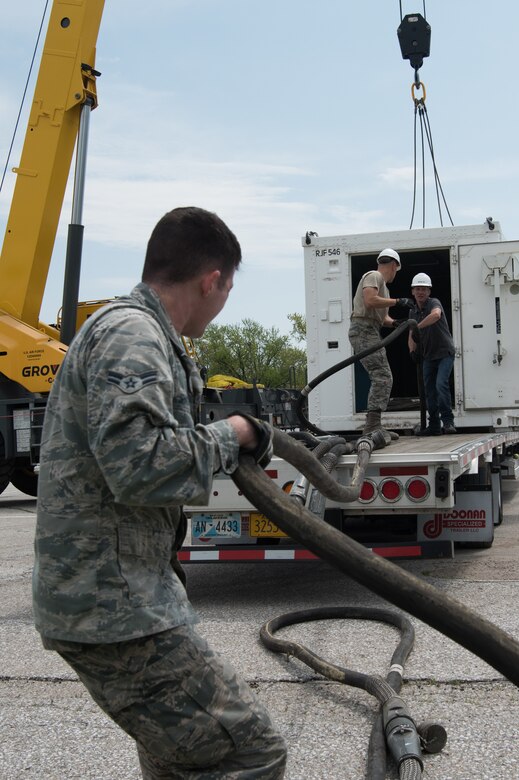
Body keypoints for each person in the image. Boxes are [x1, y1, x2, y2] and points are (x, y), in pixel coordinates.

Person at [32, 206, 287, 779]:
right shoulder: (134, 336)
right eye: (228, 289)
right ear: (212, 279)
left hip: (120, 600)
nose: (224, 303)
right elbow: (140, 465)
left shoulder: (139, 332)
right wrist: (236, 433)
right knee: (252, 751)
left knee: (179, 758)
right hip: (115, 610)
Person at [349, 248, 410, 434]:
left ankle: (374, 425)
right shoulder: (374, 276)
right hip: (364, 330)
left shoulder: (383, 285)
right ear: (394, 265)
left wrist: (396, 323)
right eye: (395, 271)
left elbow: (381, 318)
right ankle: (373, 427)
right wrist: (397, 301)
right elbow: (370, 301)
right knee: (382, 376)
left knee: (381, 375)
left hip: (370, 329)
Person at [408, 272, 456, 435]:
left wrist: (417, 327)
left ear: (429, 292)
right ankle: (434, 426)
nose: (421, 292)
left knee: (440, 384)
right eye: (418, 289)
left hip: (444, 353)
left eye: (424, 289)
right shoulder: (412, 313)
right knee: (428, 391)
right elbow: (411, 335)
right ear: (412, 291)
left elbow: (436, 315)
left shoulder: (434, 303)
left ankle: (448, 422)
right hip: (428, 356)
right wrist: (412, 350)